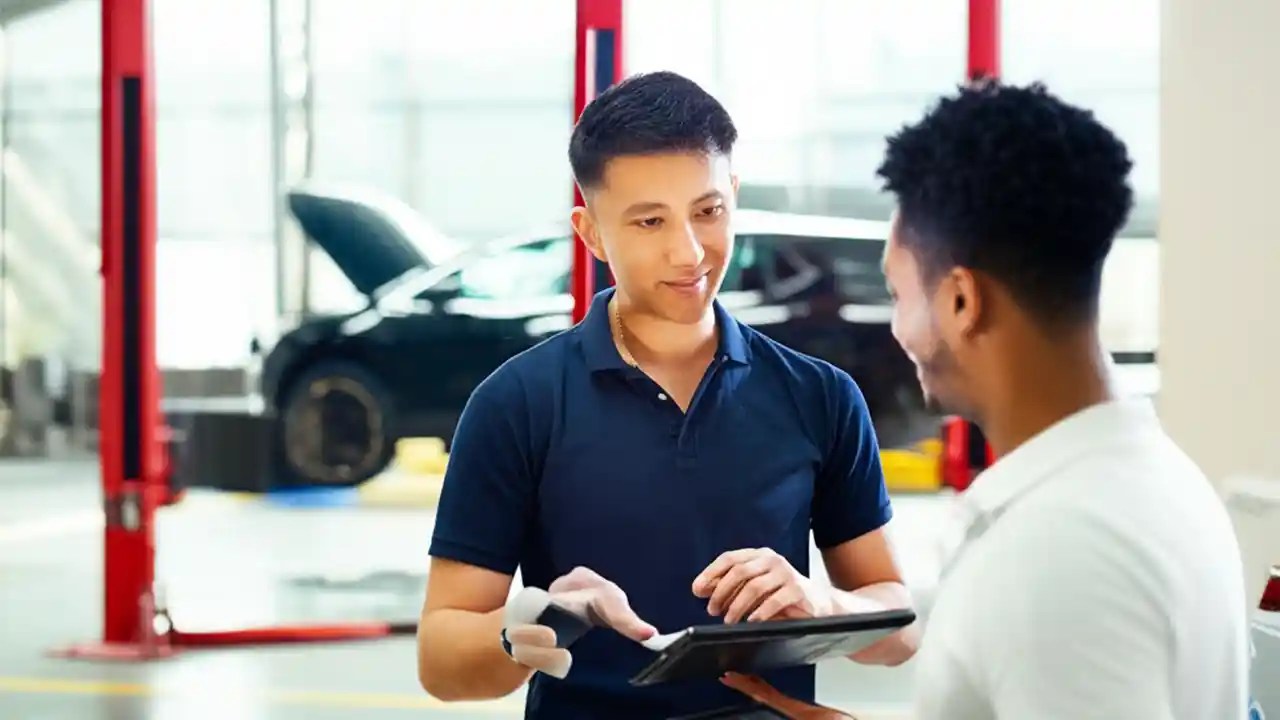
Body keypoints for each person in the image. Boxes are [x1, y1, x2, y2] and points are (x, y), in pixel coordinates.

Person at [740, 80, 1254, 719]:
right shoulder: (1153, 479)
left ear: (961, 301)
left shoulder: (1056, 554)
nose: (897, 329)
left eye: (900, 295)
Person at [415, 70, 918, 720]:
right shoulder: (517, 404)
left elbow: (898, 632)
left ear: (733, 195)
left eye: (708, 211)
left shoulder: (820, 397)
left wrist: (823, 604)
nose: (689, 252)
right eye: (650, 221)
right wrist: (529, 626)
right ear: (591, 232)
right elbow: (442, 661)